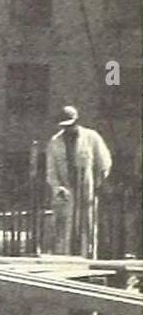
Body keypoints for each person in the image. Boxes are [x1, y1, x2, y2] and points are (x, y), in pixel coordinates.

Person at [45, 105, 112, 257]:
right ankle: (66, 260)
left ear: (76, 122)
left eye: (70, 125)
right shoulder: (55, 142)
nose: (67, 129)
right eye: (64, 126)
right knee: (64, 231)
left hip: (86, 191)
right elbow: (51, 169)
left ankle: (87, 258)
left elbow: (104, 163)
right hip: (65, 193)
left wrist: (97, 184)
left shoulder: (91, 137)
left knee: (86, 228)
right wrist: (57, 187)